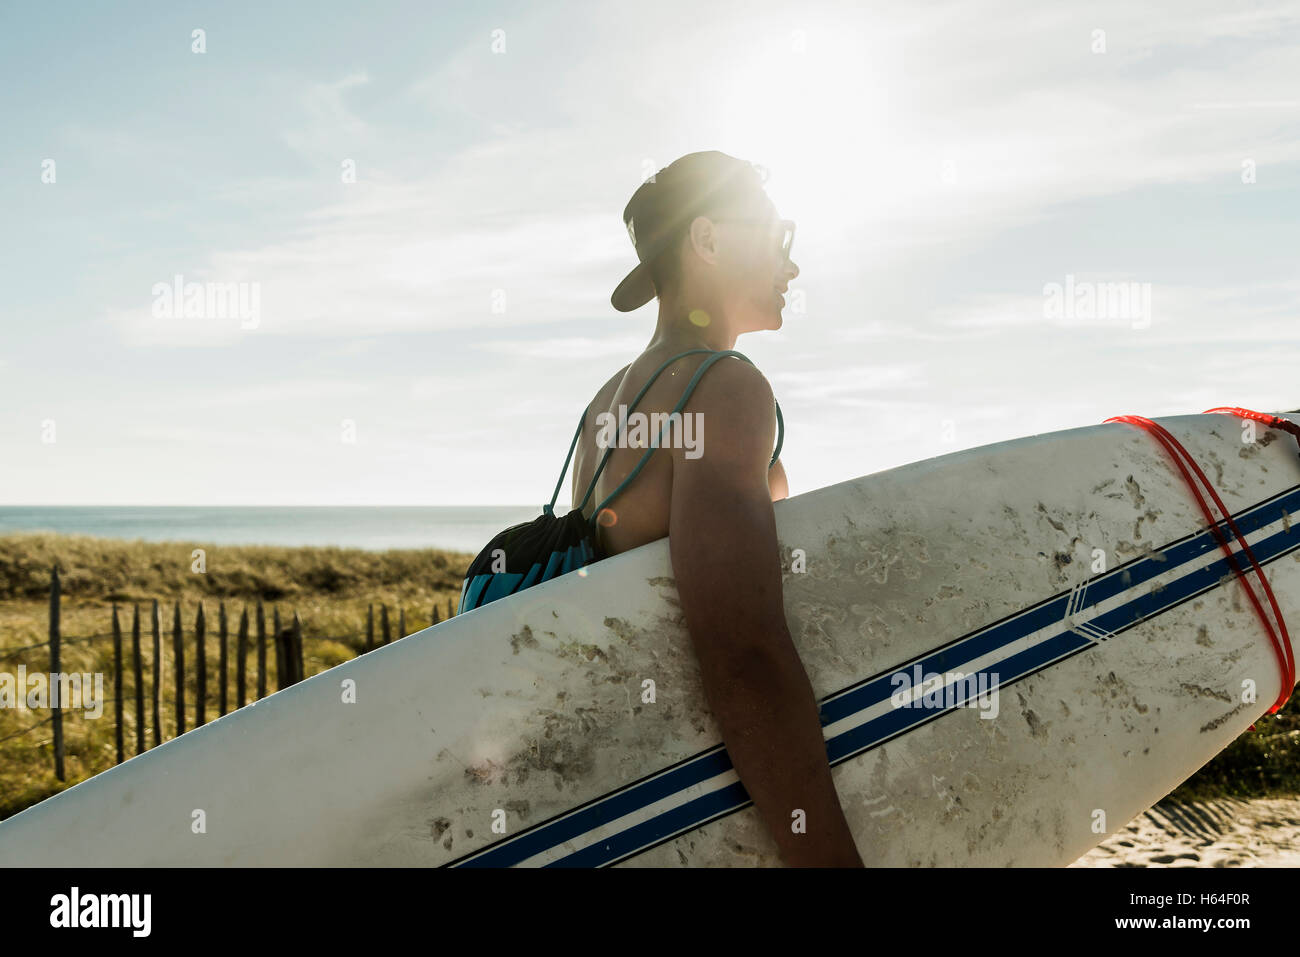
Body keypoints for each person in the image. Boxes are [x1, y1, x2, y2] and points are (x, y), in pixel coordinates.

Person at [569, 151, 863, 867]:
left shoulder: (603, 406)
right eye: (776, 235)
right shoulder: (723, 389)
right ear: (708, 240)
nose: (790, 266)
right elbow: (742, 650)